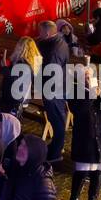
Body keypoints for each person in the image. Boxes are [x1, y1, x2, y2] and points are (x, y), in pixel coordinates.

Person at [65, 64, 101, 200]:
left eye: (90, 76)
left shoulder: (100, 88)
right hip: (84, 137)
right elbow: (78, 109)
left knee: (98, 173)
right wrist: (91, 94)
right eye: (85, 76)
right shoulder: (74, 90)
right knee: (81, 172)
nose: (88, 79)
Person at [36, 20, 70, 162]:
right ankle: (57, 147)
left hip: (53, 88)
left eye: (40, 32)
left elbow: (51, 71)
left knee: (57, 120)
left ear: (48, 33)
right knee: (57, 118)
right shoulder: (58, 42)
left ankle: (55, 153)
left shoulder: (55, 49)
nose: (38, 34)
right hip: (58, 86)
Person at [0, 36, 41, 117]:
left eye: (18, 45)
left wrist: (4, 67)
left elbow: (15, 80)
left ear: (23, 48)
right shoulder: (27, 61)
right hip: (17, 98)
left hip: (15, 101)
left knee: (9, 124)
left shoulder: (23, 63)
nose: (16, 47)